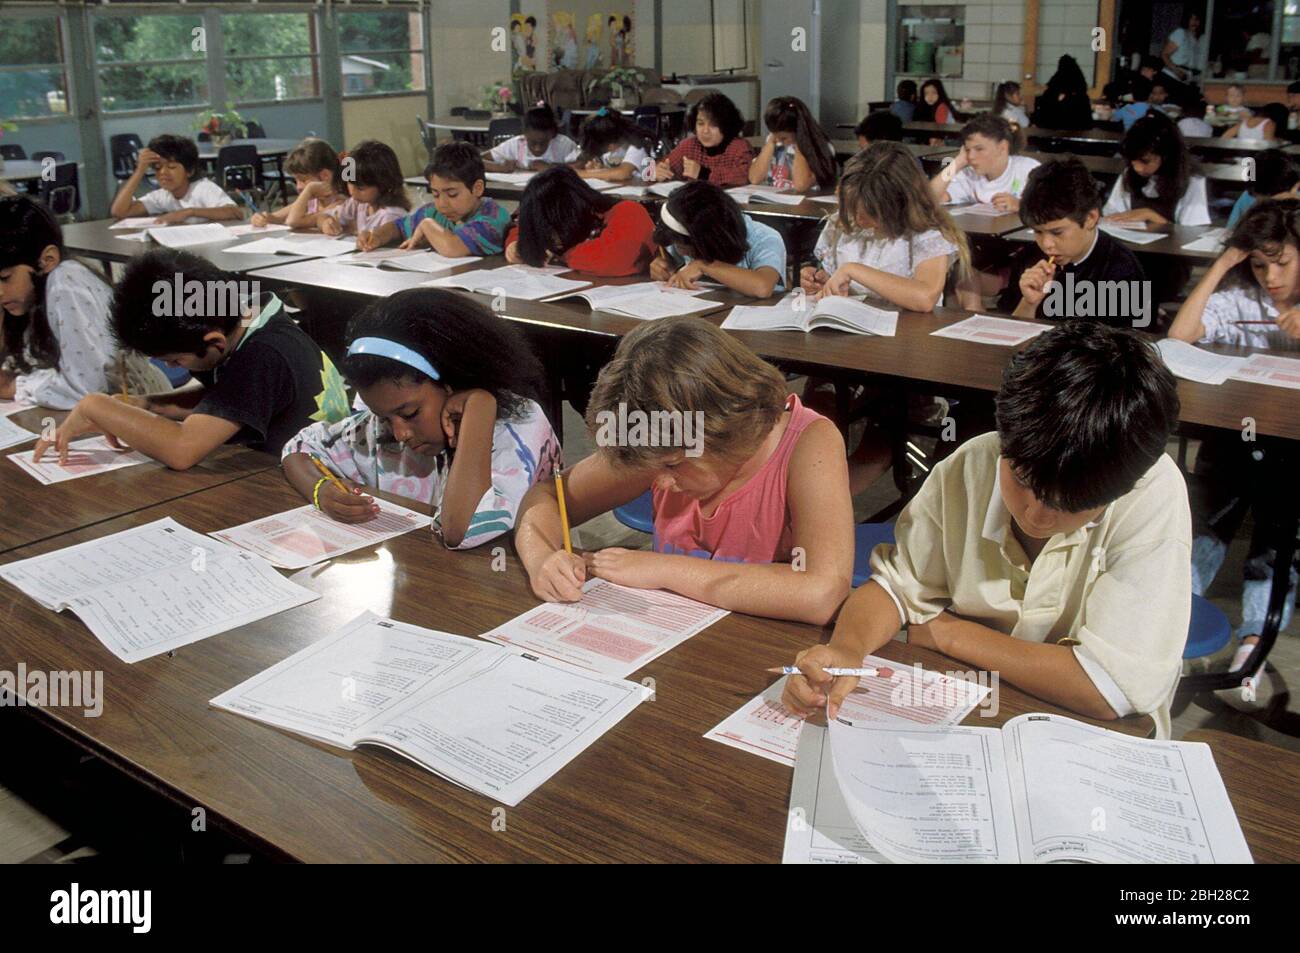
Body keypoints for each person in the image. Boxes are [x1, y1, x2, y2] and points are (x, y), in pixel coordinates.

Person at [781, 321, 1191, 739]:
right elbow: (896, 590)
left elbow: (1107, 689)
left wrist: (948, 633)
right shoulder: (971, 465)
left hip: (1095, 738)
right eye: (1023, 482)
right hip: (979, 706)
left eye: (1071, 506)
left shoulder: (1149, 492)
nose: (1036, 515)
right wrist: (848, 649)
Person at [514, 316, 854, 625]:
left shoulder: (808, 445)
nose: (658, 481)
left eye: (674, 465)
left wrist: (663, 569)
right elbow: (546, 495)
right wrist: (541, 558)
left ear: (724, 430)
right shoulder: (664, 442)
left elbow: (822, 593)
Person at [282, 288, 561, 550]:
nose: (400, 433)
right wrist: (320, 489)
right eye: (384, 417)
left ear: (454, 379)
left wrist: (479, 407)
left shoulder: (520, 429)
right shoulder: (387, 427)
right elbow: (301, 448)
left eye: (410, 414)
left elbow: (461, 531)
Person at [33, 249, 349, 468]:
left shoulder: (263, 354)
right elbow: (226, 398)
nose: (171, 368)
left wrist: (95, 404)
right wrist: (146, 405)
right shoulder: (249, 316)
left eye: (175, 361)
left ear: (213, 341)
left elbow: (182, 450)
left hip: (316, 483)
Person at [1168, 199, 1300, 675]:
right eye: (1259, 265)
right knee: (1206, 524)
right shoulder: (1244, 298)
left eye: (1282, 262)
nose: (1270, 277)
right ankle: (1178, 617)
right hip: (1235, 437)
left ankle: (1255, 637)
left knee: (1275, 541)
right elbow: (1179, 337)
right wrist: (1223, 264)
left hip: (1293, 447)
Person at [0, 196, 168, 408]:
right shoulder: (25, 294)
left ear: (48, 260)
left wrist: (16, 386)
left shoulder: (65, 283)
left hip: (132, 404)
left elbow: (86, 391)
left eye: (5, 277)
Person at [998, 158, 1146, 325]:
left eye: (1057, 232)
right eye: (1038, 231)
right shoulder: (1029, 260)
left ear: (1090, 218)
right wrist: (1028, 303)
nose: (1046, 244)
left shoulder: (1122, 269)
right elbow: (1009, 331)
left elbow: (1130, 343)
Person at [357, 141, 509, 257]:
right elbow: (398, 227)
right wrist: (376, 236)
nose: (442, 204)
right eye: (435, 194)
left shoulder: (493, 218)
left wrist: (427, 225)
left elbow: (452, 247)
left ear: (477, 188)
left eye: (452, 194)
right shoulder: (434, 212)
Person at [505, 166, 656, 276]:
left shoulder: (628, 212)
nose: (552, 238)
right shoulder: (544, 214)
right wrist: (514, 244)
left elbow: (611, 260)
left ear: (569, 213)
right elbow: (521, 225)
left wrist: (559, 254)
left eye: (553, 230)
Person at [649, 181, 786, 297]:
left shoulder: (764, 238)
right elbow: (667, 257)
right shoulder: (682, 234)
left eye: (684, 248)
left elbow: (763, 286)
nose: (683, 253)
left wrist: (704, 265)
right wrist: (663, 266)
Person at [109, 133, 240, 223]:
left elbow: (234, 212)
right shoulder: (163, 195)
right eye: (157, 168)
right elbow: (119, 212)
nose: (163, 173)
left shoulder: (202, 188)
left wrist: (189, 212)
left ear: (189, 171)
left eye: (171, 167)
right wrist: (139, 171)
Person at [653, 92, 753, 187]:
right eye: (700, 124)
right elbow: (661, 166)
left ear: (726, 126)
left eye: (713, 125)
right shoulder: (690, 145)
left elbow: (746, 176)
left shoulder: (739, 146)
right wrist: (656, 172)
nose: (705, 131)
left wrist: (703, 173)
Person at [250, 138, 347, 229]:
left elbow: (292, 221)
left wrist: (309, 189)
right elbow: (275, 217)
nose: (298, 187)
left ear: (325, 175)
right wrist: (262, 217)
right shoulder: (313, 201)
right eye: (296, 181)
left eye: (303, 180)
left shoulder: (340, 203)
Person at [748, 96, 837, 192]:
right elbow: (754, 178)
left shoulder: (821, 147)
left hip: (806, 203)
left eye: (784, 138)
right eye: (773, 134)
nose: (778, 140)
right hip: (775, 201)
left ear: (798, 131)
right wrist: (770, 143)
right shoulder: (774, 142)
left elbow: (801, 185)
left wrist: (800, 145)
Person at [481, 105, 578, 172]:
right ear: (524, 134)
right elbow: (476, 160)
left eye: (543, 143)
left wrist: (551, 168)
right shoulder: (516, 144)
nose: (537, 148)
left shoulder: (564, 144)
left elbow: (584, 164)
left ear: (552, 134)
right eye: (532, 143)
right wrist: (499, 167)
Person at [1031, 55, 1094, 130]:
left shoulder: (1051, 92)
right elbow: (1087, 122)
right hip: (1077, 133)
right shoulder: (1081, 95)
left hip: (1051, 132)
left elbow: (1042, 116)